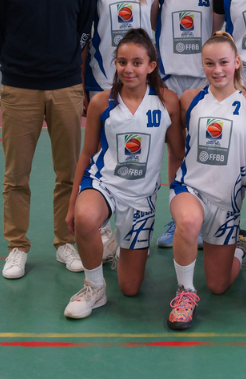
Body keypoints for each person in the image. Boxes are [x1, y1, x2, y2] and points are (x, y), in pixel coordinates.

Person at [0, 0, 96, 279]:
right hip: (19, 88)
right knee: (17, 174)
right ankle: (17, 246)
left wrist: (65, 61)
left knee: (69, 172)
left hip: (66, 88)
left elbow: (85, 29)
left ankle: (65, 241)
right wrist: (18, 63)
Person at [63, 29, 184, 319]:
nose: (128, 69)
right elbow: (86, 153)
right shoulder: (101, 103)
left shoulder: (168, 101)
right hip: (104, 184)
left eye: (137, 62)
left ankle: (114, 243)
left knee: (130, 288)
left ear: (151, 66)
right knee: (86, 217)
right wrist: (72, 205)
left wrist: (179, 201)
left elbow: (177, 154)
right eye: (122, 62)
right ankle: (94, 287)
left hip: (142, 197)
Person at [166, 32, 246, 330]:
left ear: (236, 62)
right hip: (190, 187)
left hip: (227, 200)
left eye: (223, 62)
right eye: (209, 63)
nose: (217, 69)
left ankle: (238, 245)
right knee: (188, 222)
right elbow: (177, 145)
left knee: (219, 285)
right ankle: (185, 293)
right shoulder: (189, 99)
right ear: (202, 65)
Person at [86, 0, 161, 259]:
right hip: (105, 80)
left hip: (140, 82)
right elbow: (87, 34)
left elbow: (153, 29)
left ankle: (129, 227)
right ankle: (103, 229)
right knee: (104, 156)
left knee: (138, 153)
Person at [152, 0, 214, 250]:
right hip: (170, 80)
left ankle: (204, 219)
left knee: (203, 152)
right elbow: (150, 26)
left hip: (204, 83)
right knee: (176, 151)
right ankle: (177, 220)